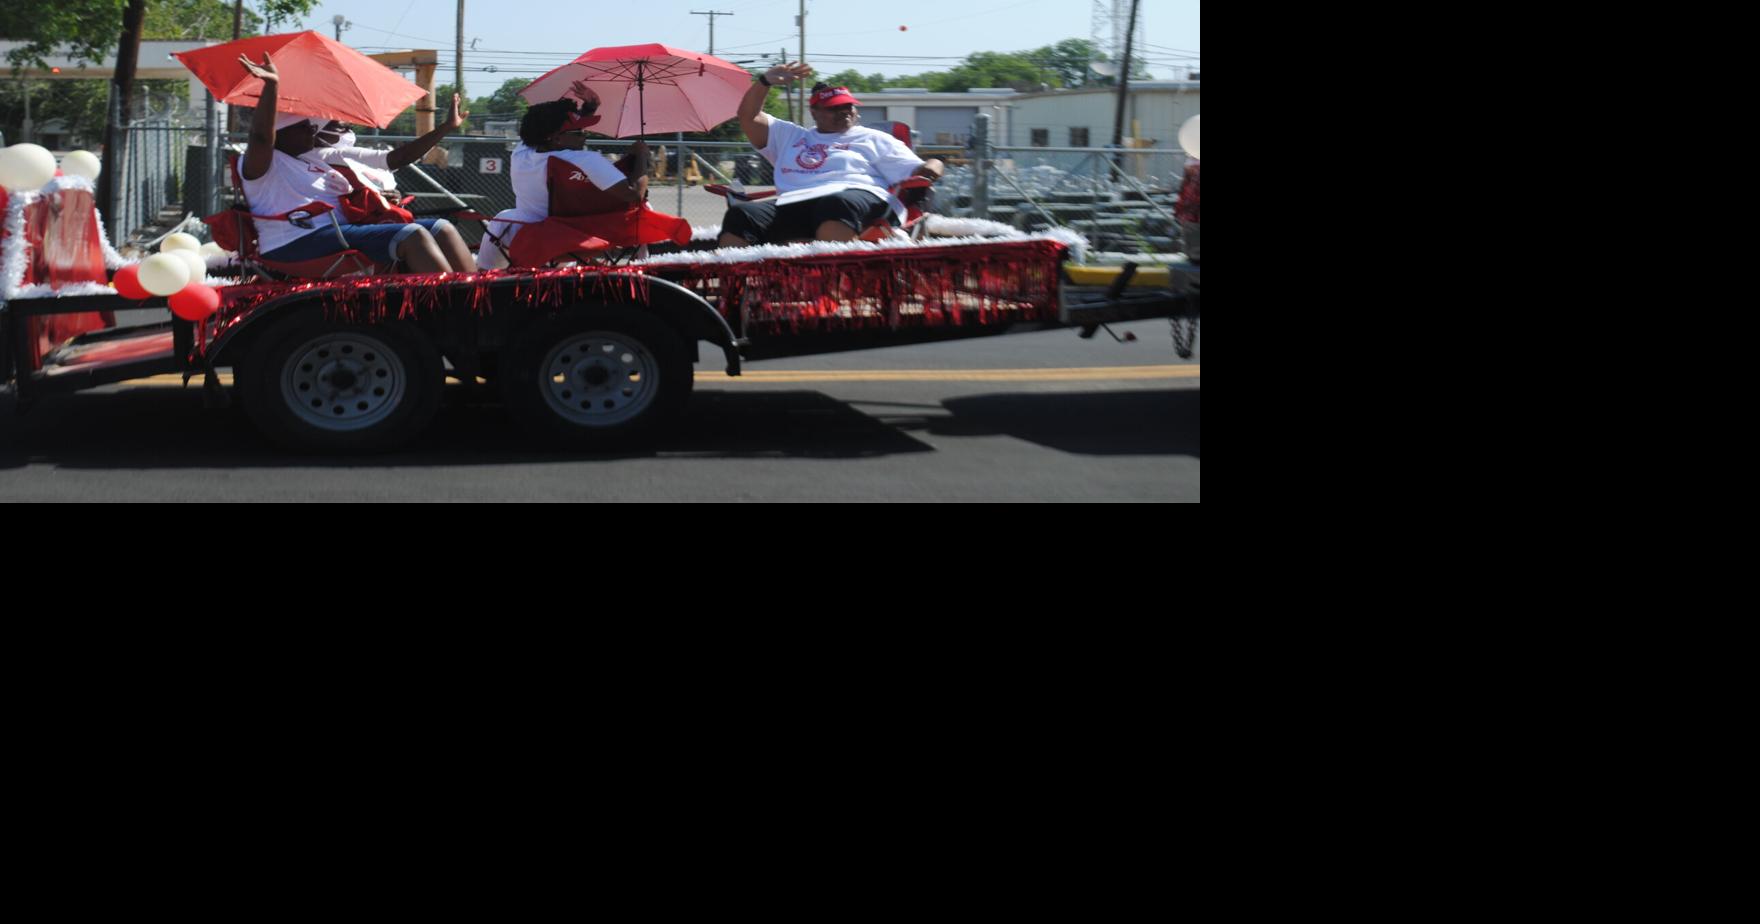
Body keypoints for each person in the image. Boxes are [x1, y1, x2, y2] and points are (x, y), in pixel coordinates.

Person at [235, 52, 476, 273]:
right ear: (280, 134)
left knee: (442, 227)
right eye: (305, 127)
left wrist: (378, 200)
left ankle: (479, 301)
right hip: (292, 244)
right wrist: (271, 87)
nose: (312, 131)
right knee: (411, 235)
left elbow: (387, 168)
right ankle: (452, 307)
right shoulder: (263, 165)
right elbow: (261, 137)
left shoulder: (314, 160)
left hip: (336, 233)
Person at [717, 64, 944, 248]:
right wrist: (765, 81)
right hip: (797, 204)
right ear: (814, 113)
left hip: (857, 202)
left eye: (848, 106)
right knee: (741, 215)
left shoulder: (873, 138)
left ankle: (833, 282)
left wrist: (935, 165)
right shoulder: (792, 137)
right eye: (834, 108)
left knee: (835, 203)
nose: (844, 111)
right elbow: (748, 116)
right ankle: (735, 294)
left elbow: (920, 169)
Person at [475, 86, 690, 270]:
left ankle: (481, 280)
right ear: (556, 138)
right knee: (643, 210)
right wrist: (642, 159)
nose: (585, 135)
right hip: (577, 239)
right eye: (578, 132)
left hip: (531, 238)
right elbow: (634, 196)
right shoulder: (586, 160)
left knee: (500, 220)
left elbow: (537, 131)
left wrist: (587, 109)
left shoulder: (522, 154)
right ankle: (641, 272)